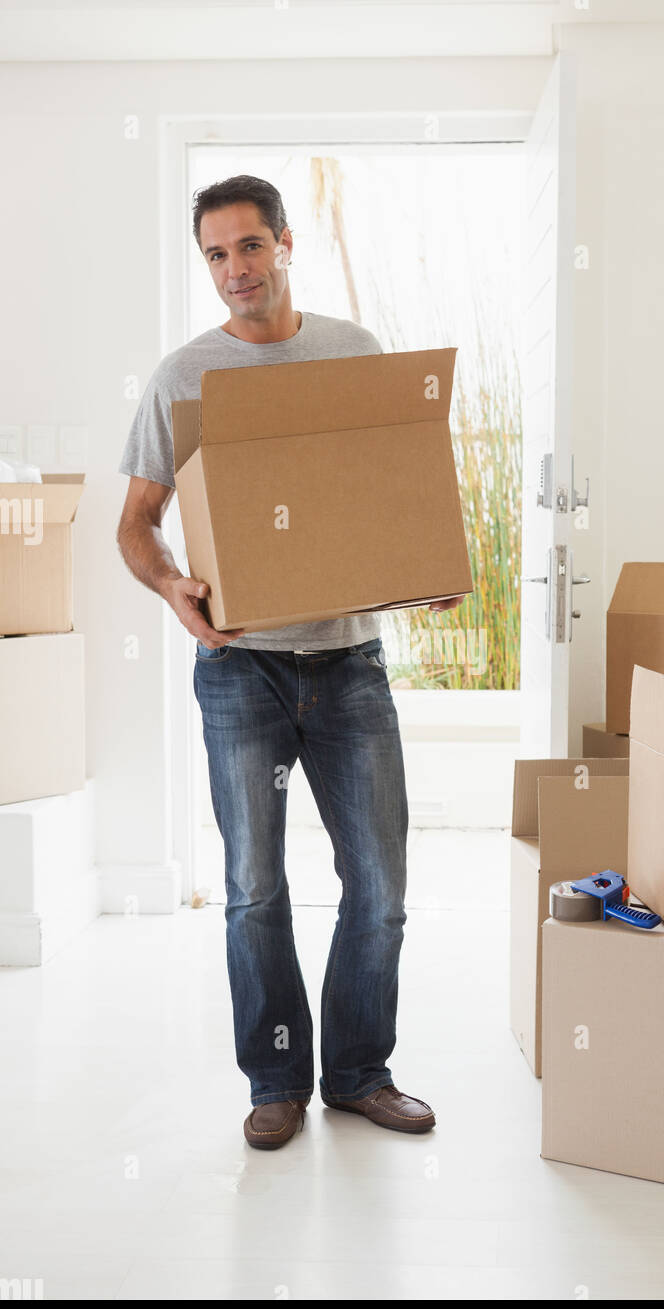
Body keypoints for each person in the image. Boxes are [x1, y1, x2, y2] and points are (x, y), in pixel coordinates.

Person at [116, 174, 463, 1149]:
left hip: (348, 661)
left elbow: (391, 493)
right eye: (217, 255)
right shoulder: (182, 377)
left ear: (285, 244)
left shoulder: (349, 352)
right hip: (240, 671)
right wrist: (174, 587)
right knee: (253, 888)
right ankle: (275, 1079)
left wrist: (423, 565)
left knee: (380, 886)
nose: (235, 270)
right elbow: (136, 528)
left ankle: (358, 1073)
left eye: (249, 248)